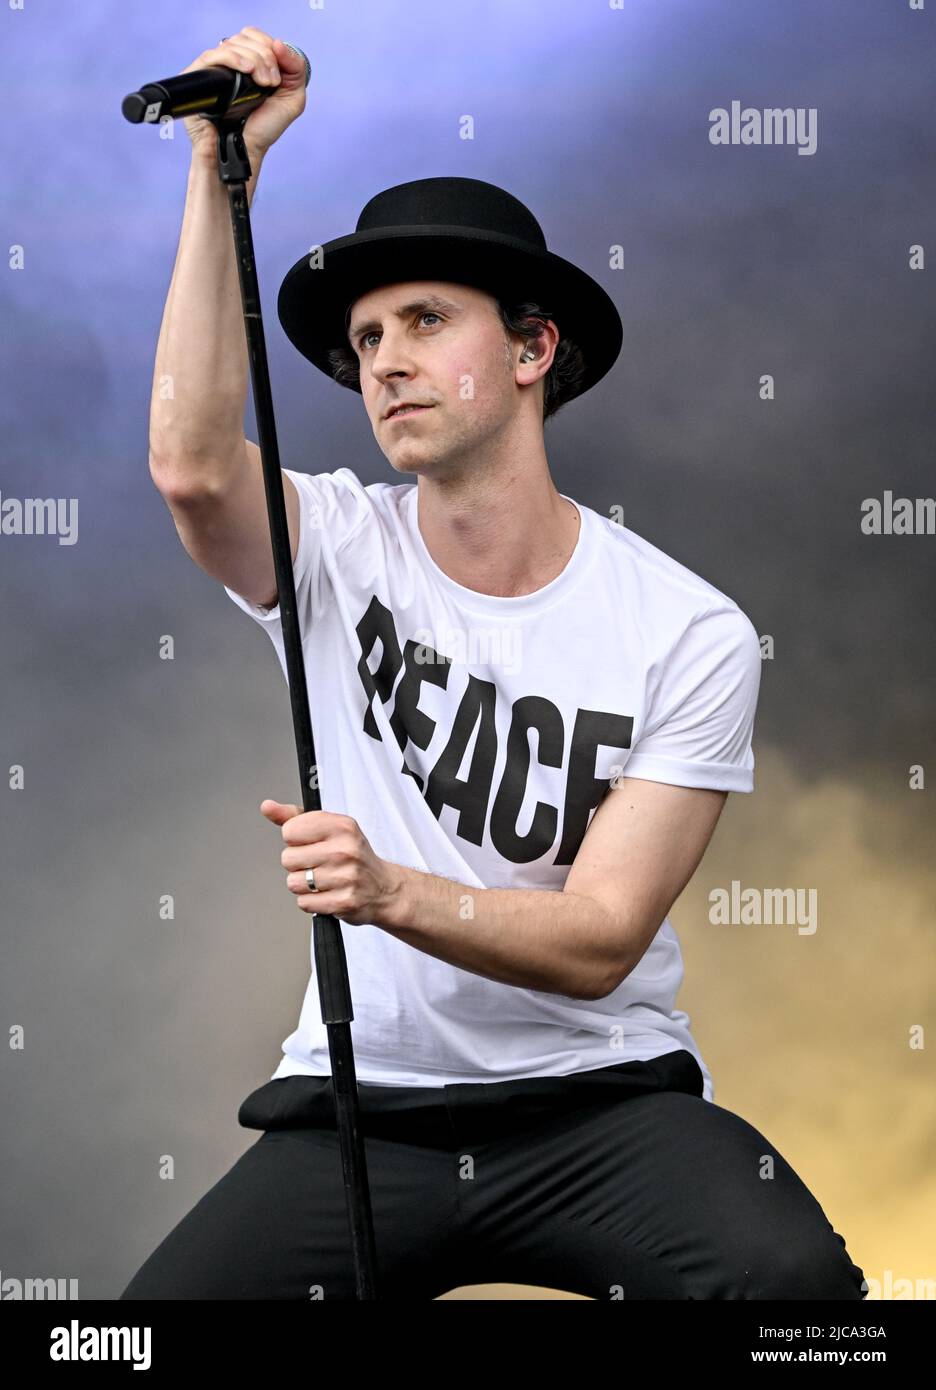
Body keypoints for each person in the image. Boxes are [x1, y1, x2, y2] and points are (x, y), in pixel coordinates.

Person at [120, 26, 866, 1301]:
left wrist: (385, 888)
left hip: (599, 1108)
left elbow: (598, 940)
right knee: (122, 1341)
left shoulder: (689, 631)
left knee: (795, 1295)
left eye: (424, 321)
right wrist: (216, 169)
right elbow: (193, 469)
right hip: (369, 1112)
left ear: (532, 352)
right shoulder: (337, 544)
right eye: (363, 341)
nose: (386, 359)